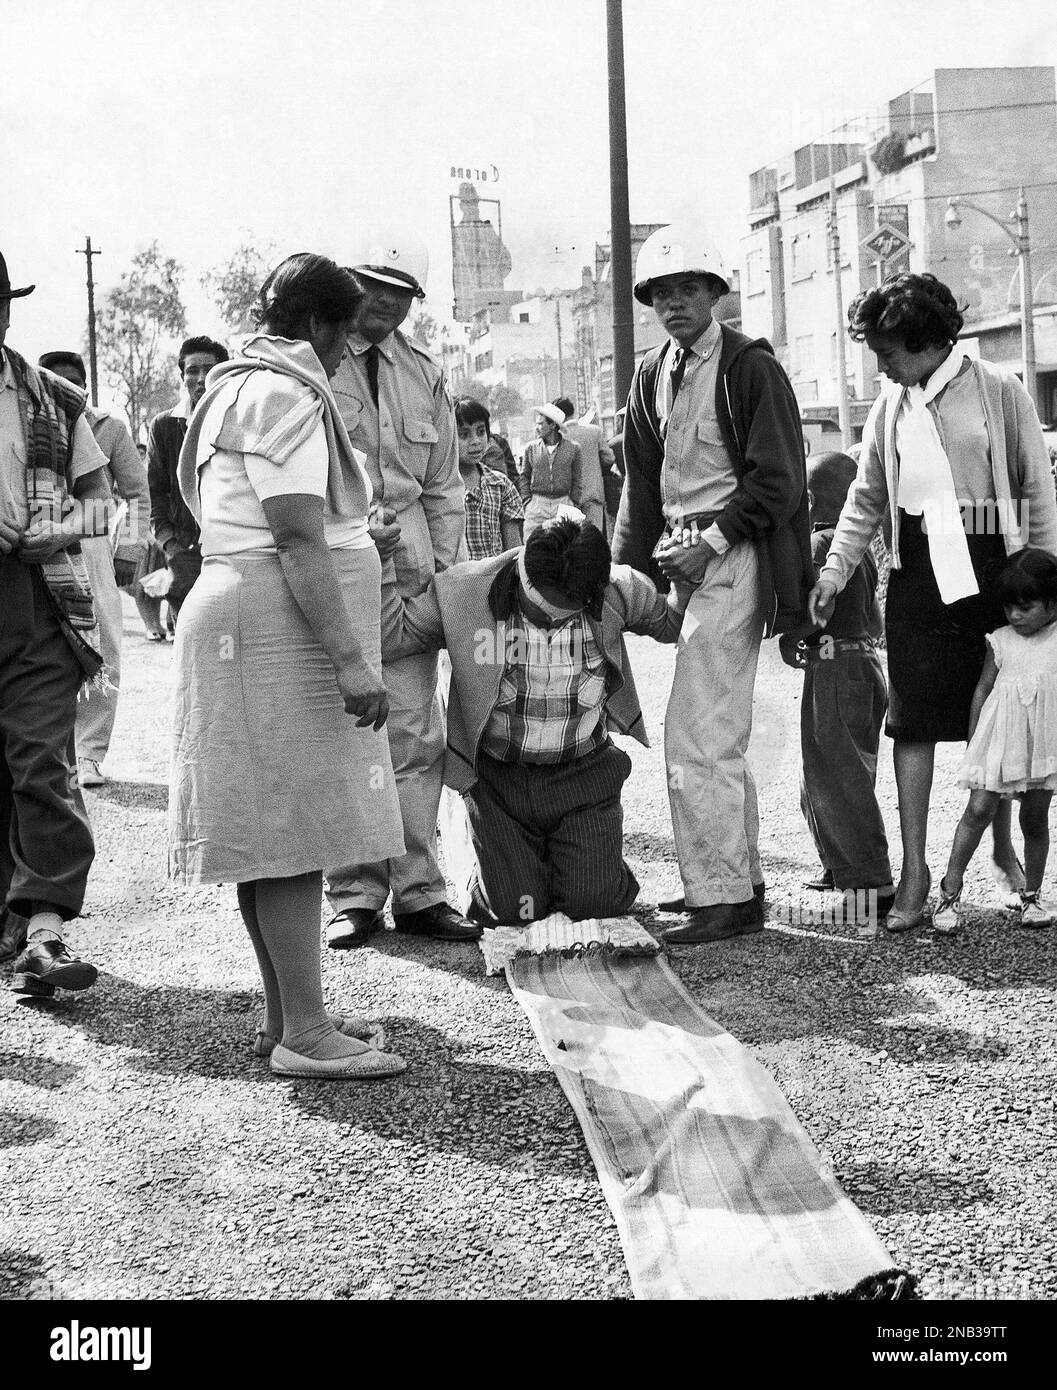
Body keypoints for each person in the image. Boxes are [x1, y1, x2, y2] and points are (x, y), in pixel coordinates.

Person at [170, 252, 406, 1081]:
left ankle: (290, 1019)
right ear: (317, 325)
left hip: (251, 611)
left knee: (277, 833)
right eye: (344, 334)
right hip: (270, 624)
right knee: (295, 830)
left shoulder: (236, 383)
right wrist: (350, 659)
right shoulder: (283, 394)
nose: (346, 353)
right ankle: (304, 1034)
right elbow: (298, 536)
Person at [809, 273, 1057, 932]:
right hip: (918, 568)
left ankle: (1001, 844)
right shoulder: (891, 405)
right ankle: (916, 872)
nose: (882, 368)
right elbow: (864, 498)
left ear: (926, 342)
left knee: (996, 716)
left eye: (888, 353)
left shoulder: (999, 391)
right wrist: (834, 572)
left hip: (994, 567)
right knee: (911, 720)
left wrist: (1046, 593)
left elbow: (1035, 493)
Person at [612, 221, 813, 945]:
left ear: (715, 293)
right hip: (680, 556)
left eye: (688, 289)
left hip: (733, 553)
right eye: (661, 293)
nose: (674, 304)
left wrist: (712, 543)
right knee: (711, 727)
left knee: (697, 732)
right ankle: (733, 884)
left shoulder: (748, 366)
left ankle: (722, 896)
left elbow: (779, 481)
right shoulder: (649, 373)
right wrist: (625, 579)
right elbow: (640, 485)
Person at [380, 517, 692, 925]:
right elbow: (392, 638)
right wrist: (382, 562)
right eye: (540, 612)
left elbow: (669, 624)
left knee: (590, 907)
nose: (549, 625)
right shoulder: (462, 590)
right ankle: (480, 850)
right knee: (516, 911)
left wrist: (684, 573)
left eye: (564, 616)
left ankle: (577, 860)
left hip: (585, 777)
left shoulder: (617, 589)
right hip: (500, 783)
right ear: (523, 571)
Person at [325, 234, 475, 948]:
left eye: (400, 290)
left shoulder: (423, 373)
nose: (385, 301)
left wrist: (444, 578)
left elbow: (445, 485)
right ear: (346, 285)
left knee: (416, 738)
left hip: (411, 571)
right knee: (347, 734)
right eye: (371, 285)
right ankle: (353, 895)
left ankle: (419, 892)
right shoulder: (312, 362)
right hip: (337, 568)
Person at [0, 251, 113, 995]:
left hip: (37, 599)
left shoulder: (53, 399)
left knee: (41, 763)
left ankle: (44, 932)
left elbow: (104, 504)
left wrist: (63, 528)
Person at [779, 452, 894, 922]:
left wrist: (791, 640)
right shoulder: (860, 553)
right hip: (865, 665)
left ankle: (871, 881)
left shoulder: (820, 544)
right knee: (843, 773)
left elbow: (812, 613)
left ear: (808, 499)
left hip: (833, 667)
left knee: (834, 775)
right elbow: (874, 620)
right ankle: (840, 864)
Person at [37, 350, 151, 787]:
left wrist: (131, 549)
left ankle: (90, 753)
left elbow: (136, 494)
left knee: (101, 645)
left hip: (91, 548)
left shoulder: (109, 427)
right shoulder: (29, 418)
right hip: (37, 546)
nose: (64, 387)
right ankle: (53, 753)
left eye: (73, 381)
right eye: (53, 379)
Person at [932, 548, 1057, 934]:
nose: (1015, 616)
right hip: (999, 742)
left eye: (1025, 607)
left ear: (1052, 603)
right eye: (1009, 608)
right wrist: (974, 744)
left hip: (1043, 746)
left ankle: (1032, 896)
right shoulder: (1000, 640)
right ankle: (950, 892)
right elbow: (983, 690)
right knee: (979, 809)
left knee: (1034, 818)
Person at [146, 335, 229, 623]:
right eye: (192, 370)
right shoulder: (164, 425)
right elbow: (153, 494)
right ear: (182, 377)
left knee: (228, 640)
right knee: (189, 641)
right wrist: (170, 546)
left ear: (223, 374)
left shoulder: (235, 417)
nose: (201, 378)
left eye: (210, 369)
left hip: (230, 548)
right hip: (185, 552)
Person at [454, 395, 524, 560]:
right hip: (454, 582)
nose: (475, 441)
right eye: (464, 434)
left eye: (480, 432)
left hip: (495, 581)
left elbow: (513, 551)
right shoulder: (440, 488)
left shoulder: (501, 486)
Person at [519, 403, 583, 538]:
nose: (537, 428)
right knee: (531, 542)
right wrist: (527, 502)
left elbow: (577, 479)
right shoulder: (530, 448)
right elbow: (524, 476)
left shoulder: (573, 448)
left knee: (565, 544)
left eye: (541, 424)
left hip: (563, 502)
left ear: (553, 425)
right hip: (537, 504)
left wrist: (573, 503)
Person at [552, 396, 614, 534]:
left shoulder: (556, 437)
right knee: (593, 540)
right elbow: (609, 459)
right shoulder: (594, 431)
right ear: (572, 412)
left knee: (570, 542)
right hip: (593, 495)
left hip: (566, 499)